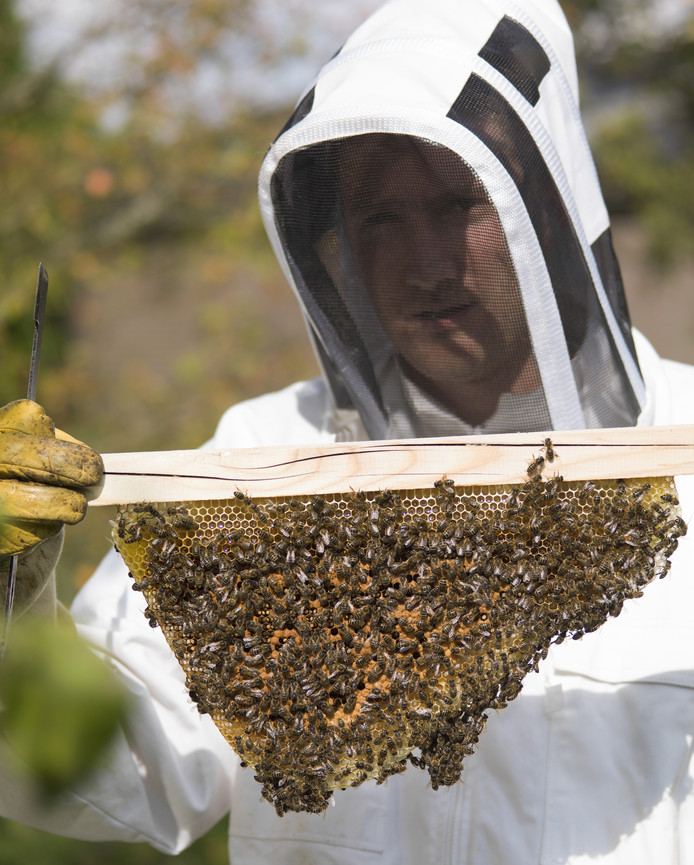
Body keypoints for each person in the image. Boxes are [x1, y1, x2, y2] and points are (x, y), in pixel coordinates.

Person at [2, 0, 694, 862]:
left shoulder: (682, 447)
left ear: (545, 208)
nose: (428, 264)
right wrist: (12, 605)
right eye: (381, 219)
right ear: (333, 242)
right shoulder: (258, 453)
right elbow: (103, 768)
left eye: (462, 203)